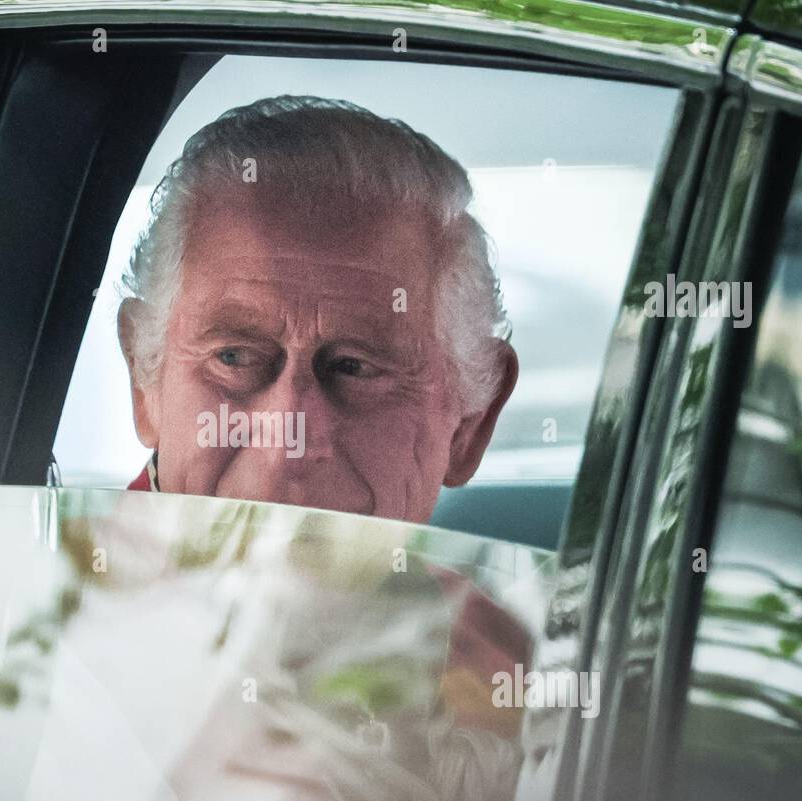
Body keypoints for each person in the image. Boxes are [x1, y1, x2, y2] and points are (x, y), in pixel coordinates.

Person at [118, 95, 517, 523]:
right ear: (146, 384)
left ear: (469, 425)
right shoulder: (51, 585)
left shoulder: (492, 592)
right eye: (233, 357)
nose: (286, 444)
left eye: (353, 366)